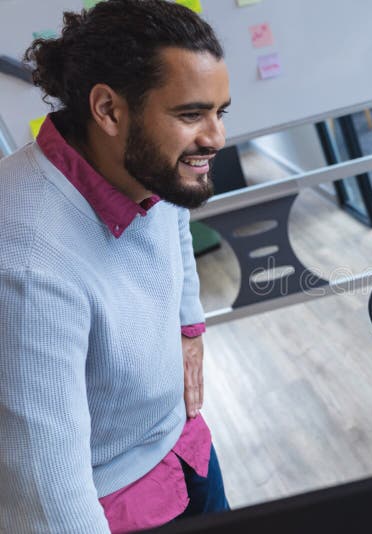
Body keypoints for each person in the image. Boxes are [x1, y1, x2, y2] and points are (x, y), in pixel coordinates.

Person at [0, 1, 232, 531]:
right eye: (191, 114)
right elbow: (45, 495)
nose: (216, 137)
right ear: (108, 109)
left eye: (221, 112)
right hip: (116, 500)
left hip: (183, 446)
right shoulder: (28, 264)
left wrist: (188, 325)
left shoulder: (147, 163)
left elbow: (174, 215)